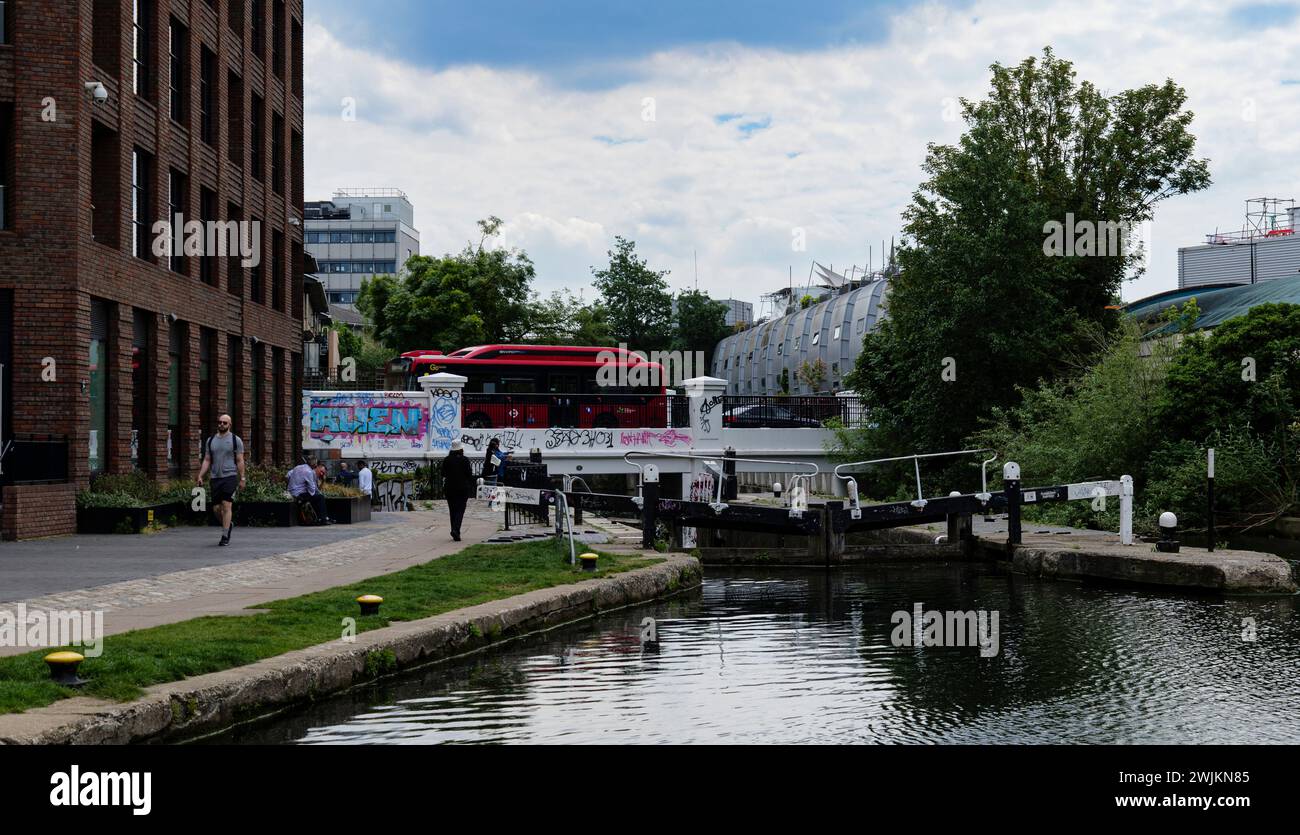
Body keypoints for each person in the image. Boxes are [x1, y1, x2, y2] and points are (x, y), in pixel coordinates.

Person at [196, 414, 245, 547]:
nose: (221, 425)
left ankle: (224, 535)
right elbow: (207, 459)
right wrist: (200, 475)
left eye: (224, 423)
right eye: (220, 422)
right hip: (215, 477)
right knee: (216, 509)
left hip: (230, 477)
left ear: (230, 425)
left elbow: (240, 460)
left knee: (226, 505)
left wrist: (242, 478)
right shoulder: (211, 440)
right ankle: (228, 524)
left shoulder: (236, 440)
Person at [441, 441, 475, 541]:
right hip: (462, 488)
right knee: (460, 509)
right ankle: (456, 530)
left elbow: (442, 473)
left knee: (452, 510)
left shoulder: (447, 459)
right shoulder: (465, 460)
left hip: (449, 487)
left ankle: (454, 529)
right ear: (461, 449)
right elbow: (469, 474)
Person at [288, 457, 331, 525]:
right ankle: (323, 519)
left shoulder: (297, 467)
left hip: (291, 492)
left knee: (315, 497)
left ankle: (321, 518)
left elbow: (288, 475)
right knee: (320, 497)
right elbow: (312, 491)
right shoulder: (309, 472)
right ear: (314, 465)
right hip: (299, 494)